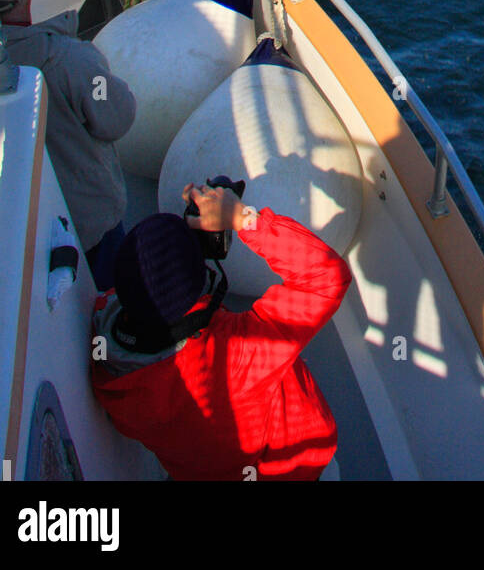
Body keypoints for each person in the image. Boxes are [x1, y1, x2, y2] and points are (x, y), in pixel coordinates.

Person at [90, 182, 352, 481]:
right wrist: (242, 218)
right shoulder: (242, 353)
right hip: (293, 471)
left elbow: (143, 291)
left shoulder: (108, 364)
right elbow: (326, 277)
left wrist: (177, 259)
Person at [0, 0, 136, 289]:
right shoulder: (75, 62)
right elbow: (116, 116)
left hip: (18, 230)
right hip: (90, 223)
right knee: (109, 299)